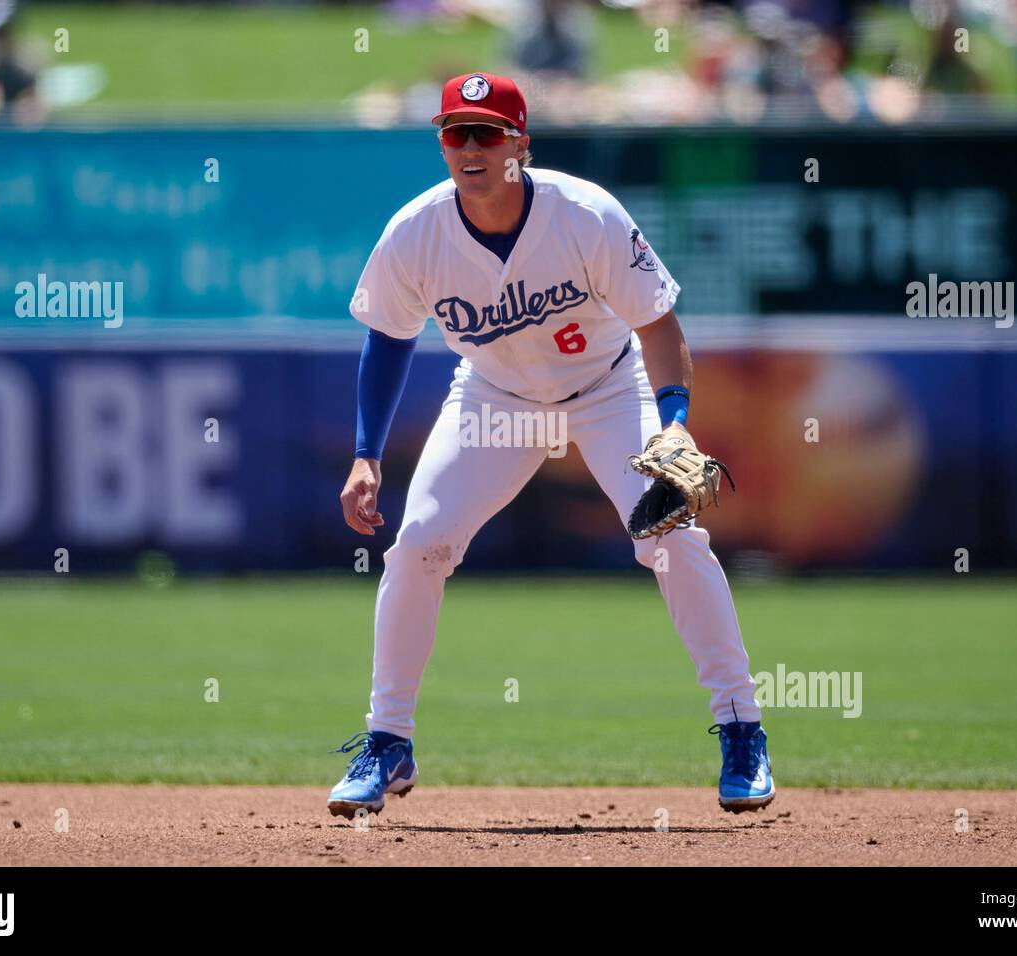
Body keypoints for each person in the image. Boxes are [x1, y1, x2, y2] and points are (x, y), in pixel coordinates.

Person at [329, 72, 773, 819]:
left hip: (607, 388)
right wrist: (366, 453)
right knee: (420, 544)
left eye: (486, 132)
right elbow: (388, 340)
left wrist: (673, 420)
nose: (468, 146)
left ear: (520, 145)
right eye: (454, 132)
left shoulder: (583, 212)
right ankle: (387, 741)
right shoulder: (417, 231)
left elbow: (658, 324)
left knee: (671, 536)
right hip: (496, 398)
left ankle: (741, 728)